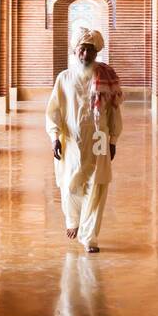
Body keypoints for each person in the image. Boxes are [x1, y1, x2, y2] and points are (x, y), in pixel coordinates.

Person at [45, 27, 123, 253]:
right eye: (82, 49)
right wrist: (53, 136)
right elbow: (54, 110)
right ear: (75, 50)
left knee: (97, 185)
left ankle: (89, 236)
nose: (86, 55)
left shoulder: (106, 76)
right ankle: (73, 220)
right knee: (70, 184)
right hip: (71, 139)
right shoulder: (64, 78)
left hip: (99, 137)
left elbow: (113, 112)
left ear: (97, 52)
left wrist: (113, 139)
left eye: (90, 50)